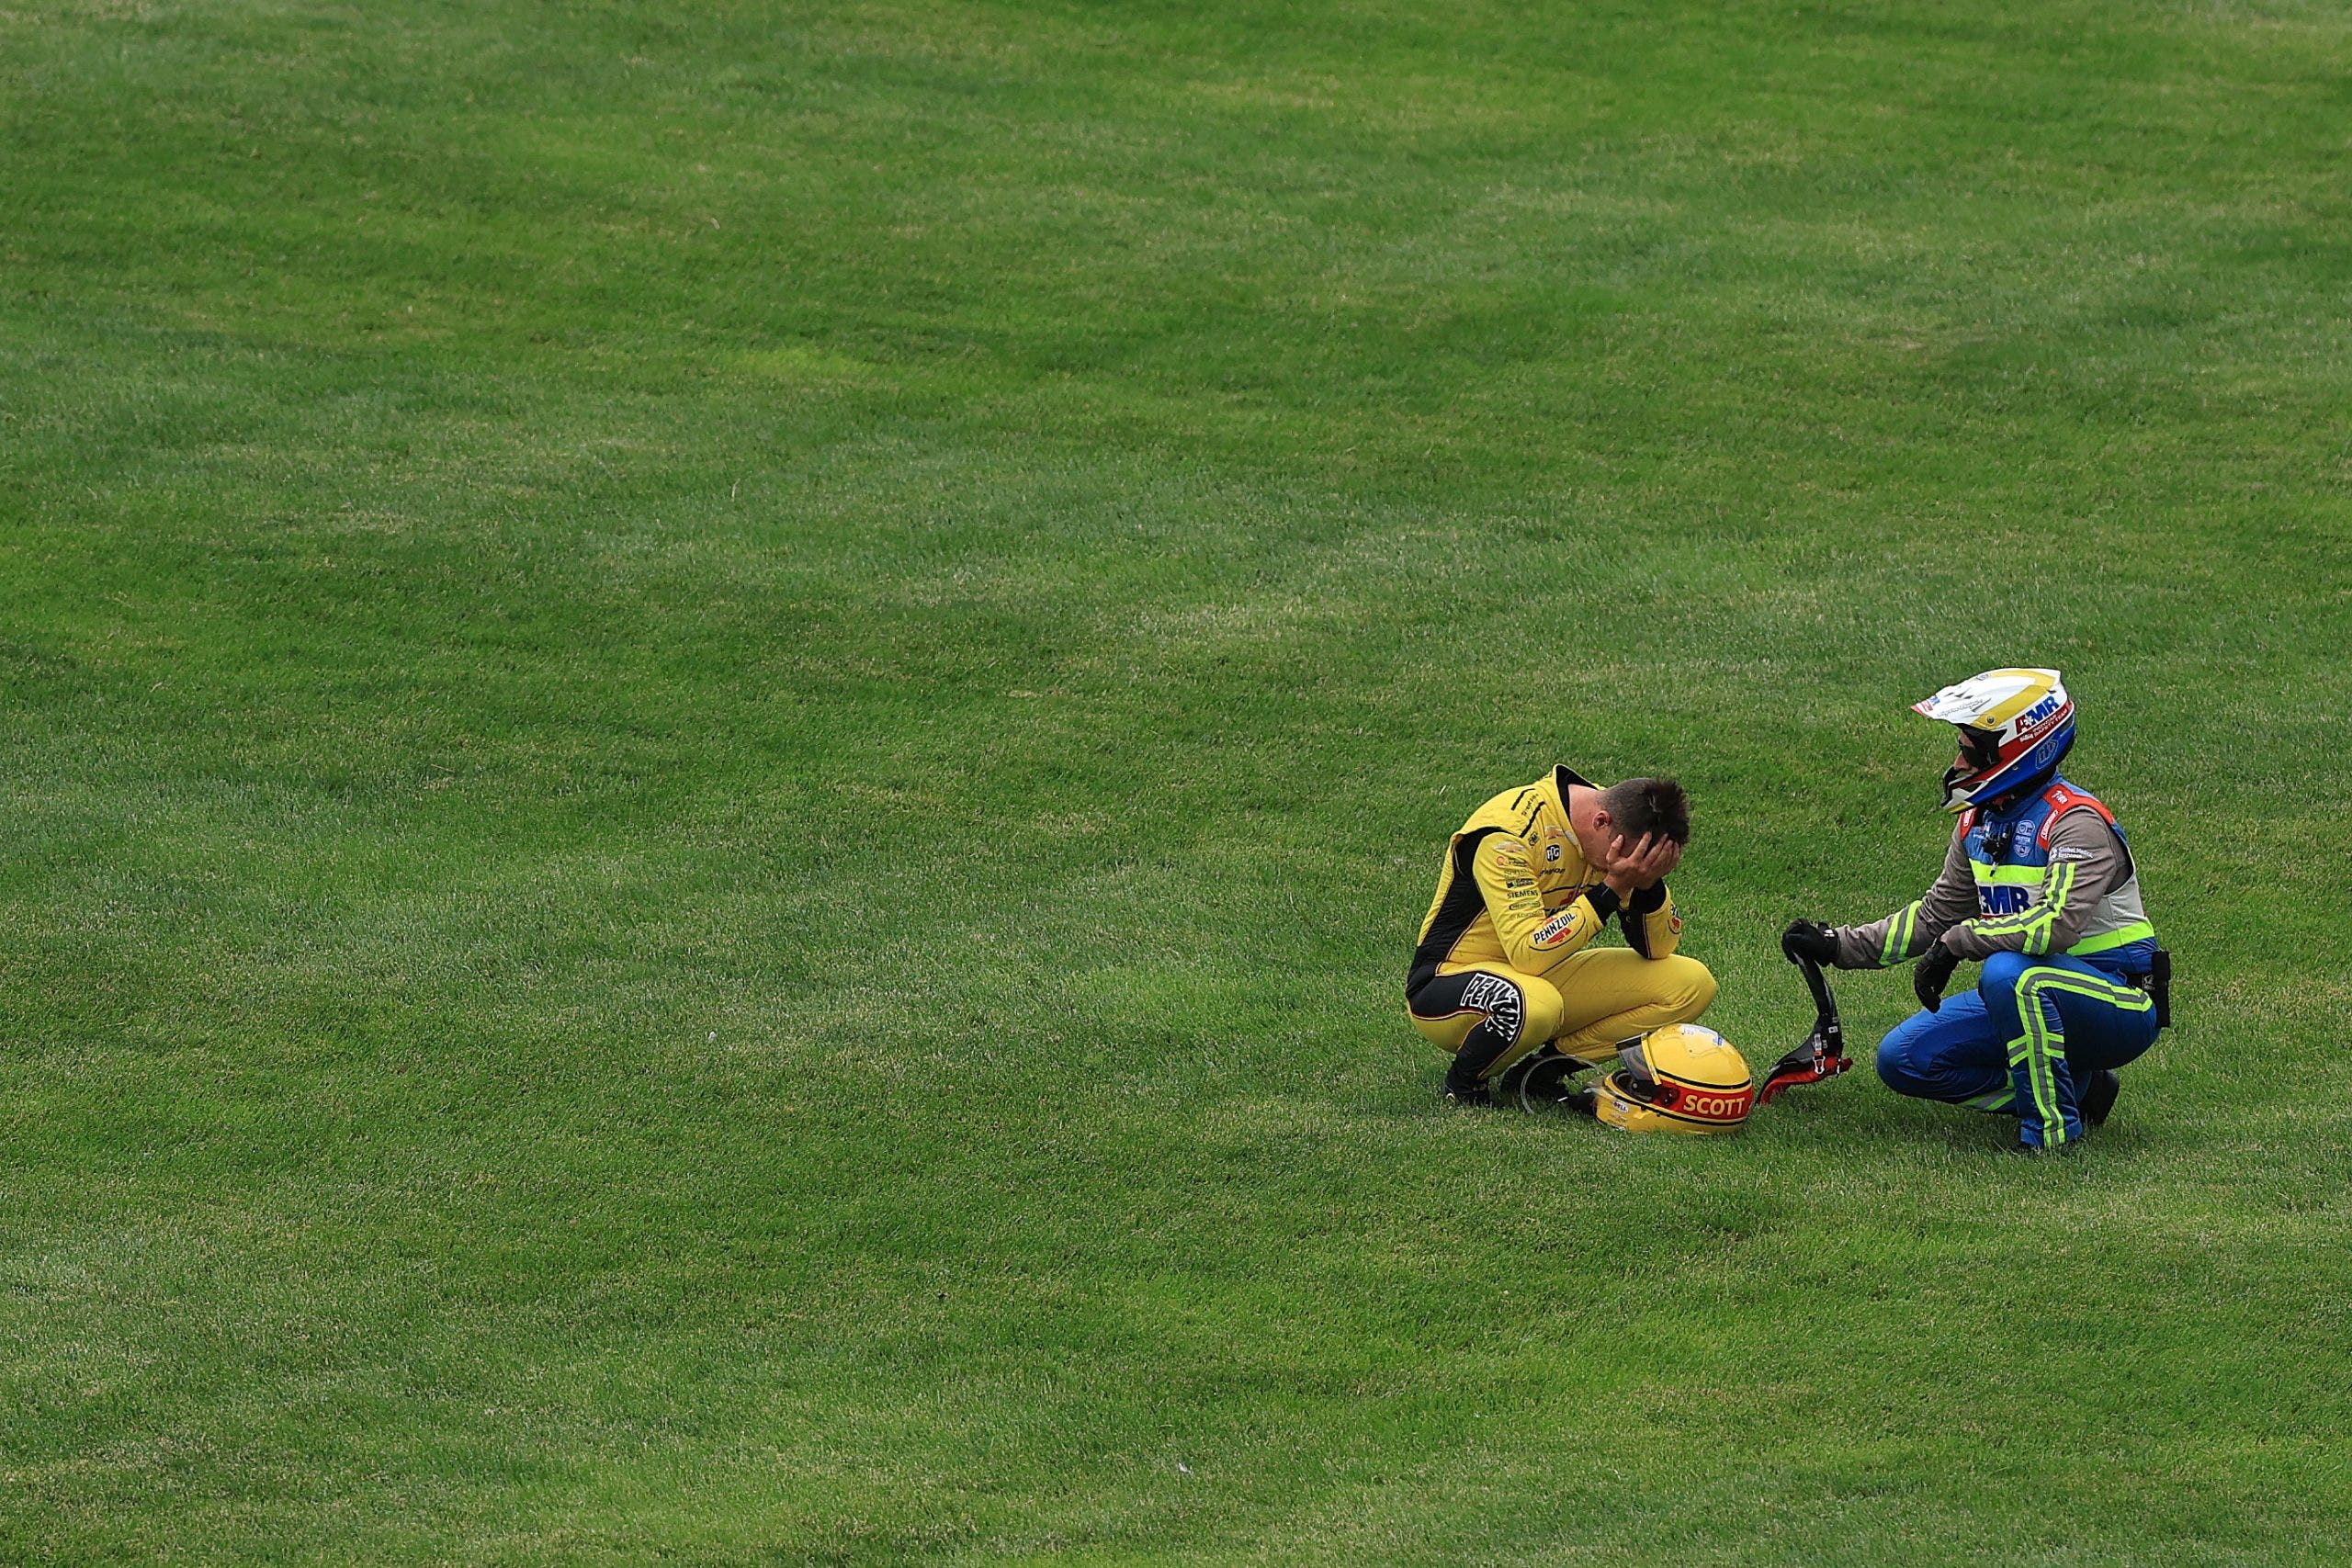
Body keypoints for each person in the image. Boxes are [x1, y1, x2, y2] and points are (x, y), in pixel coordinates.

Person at [1783, 669, 2167, 1152]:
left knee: (2011, 974)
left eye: (1971, 750)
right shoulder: (1977, 822)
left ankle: (2051, 1135)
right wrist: (1837, 944)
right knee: (1902, 1059)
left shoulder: (2076, 822)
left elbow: (2058, 926)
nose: (1958, 761)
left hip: (2121, 1003)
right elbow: (1936, 915)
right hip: (2036, 1000)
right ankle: (2085, 1090)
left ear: (2015, 749)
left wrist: (1960, 942)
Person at [1407, 766, 1716, 1106]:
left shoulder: (1615, 825)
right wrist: (1613, 888)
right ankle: (1464, 1082)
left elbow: (1659, 948)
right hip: (1448, 983)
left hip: (1539, 975)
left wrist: (1647, 885)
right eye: (1634, 856)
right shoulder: (1509, 834)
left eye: (1647, 861)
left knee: (1690, 985)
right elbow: (1528, 952)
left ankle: (1540, 1072)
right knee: (1533, 1005)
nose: (1633, 865)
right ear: (1600, 822)